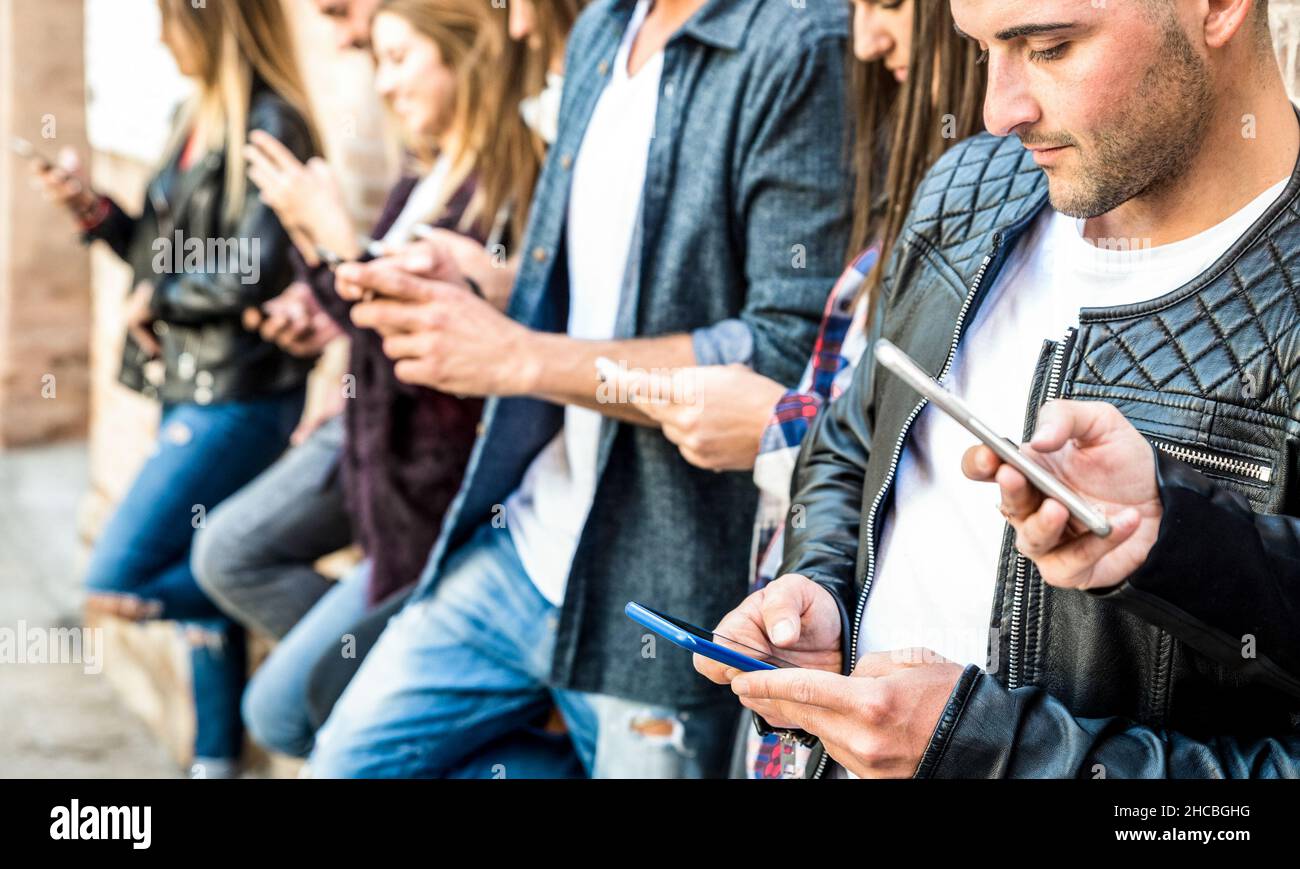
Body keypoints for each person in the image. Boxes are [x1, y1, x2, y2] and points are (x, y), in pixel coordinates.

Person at [697, 0, 1300, 779]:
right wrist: (820, 594)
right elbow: (854, 439)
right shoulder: (968, 185)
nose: (997, 111)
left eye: (1049, 48)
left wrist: (994, 754)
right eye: (982, 49)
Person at [309, 0, 852, 778]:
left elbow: (781, 358)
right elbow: (590, 295)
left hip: (666, 587)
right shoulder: (606, 25)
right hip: (526, 541)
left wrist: (519, 357)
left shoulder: (800, 40)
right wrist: (486, 284)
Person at [191, 0, 575, 779]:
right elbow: (368, 315)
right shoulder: (424, 172)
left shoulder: (511, 189)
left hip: (442, 513)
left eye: (399, 59)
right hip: (385, 499)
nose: (384, 82)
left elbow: (443, 372)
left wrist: (332, 240)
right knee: (277, 688)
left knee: (301, 706)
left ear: (465, 60)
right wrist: (316, 268)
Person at [610, 0, 986, 779]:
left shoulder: (994, 225)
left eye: (886, 6)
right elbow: (862, 439)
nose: (863, 39)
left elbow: (943, 470)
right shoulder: (915, 205)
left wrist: (780, 430)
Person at [31, 0, 321, 778]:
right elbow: (162, 258)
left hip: (240, 392)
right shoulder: (190, 116)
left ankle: (308, 599)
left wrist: (158, 299)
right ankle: (215, 759)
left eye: (171, 20)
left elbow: (254, 268)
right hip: (183, 383)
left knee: (116, 575)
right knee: (205, 612)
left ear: (214, 22)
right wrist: (96, 214)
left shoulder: (271, 123)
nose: (160, 38)